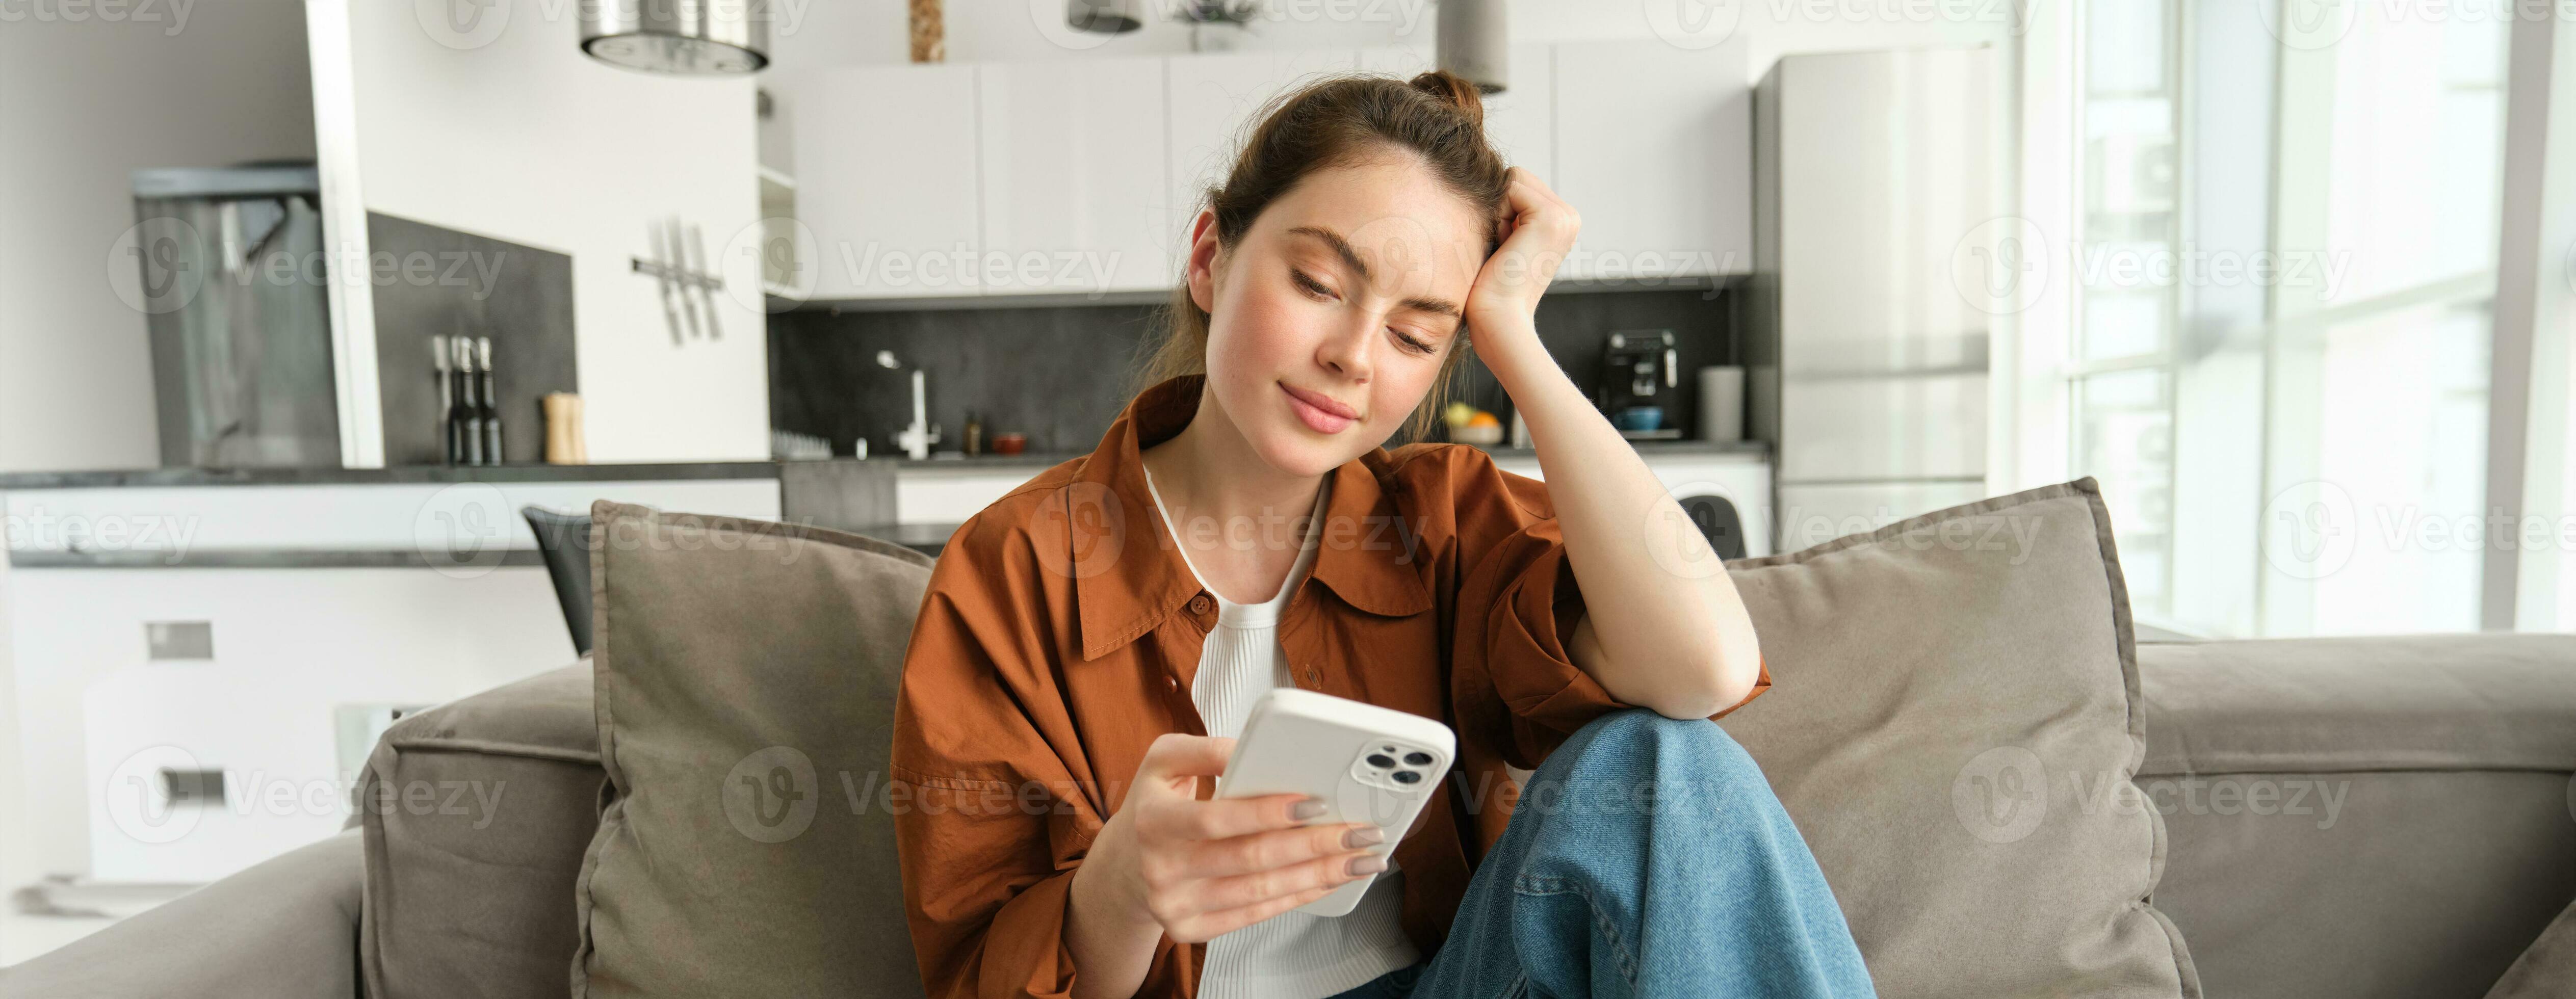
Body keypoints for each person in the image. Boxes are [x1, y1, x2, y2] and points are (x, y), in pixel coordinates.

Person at [891, 69, 1874, 999]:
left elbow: (1703, 672)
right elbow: (978, 975)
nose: (1354, 357)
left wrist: (1512, 333)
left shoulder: (1444, 520)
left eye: (1415, 334)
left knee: (1666, 763)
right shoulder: (1013, 567)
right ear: (1209, 257)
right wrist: (1122, 889)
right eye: (1318, 283)